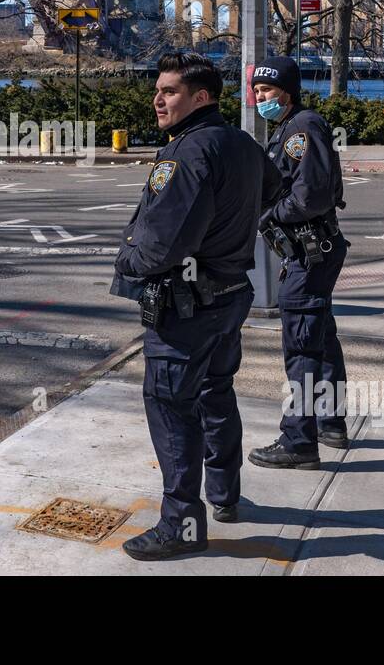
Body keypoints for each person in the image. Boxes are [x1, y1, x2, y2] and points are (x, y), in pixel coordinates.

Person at [110, 51, 279, 561]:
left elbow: (160, 246)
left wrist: (127, 256)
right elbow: (273, 192)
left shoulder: (185, 154)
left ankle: (180, 523)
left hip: (186, 307)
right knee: (215, 391)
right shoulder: (243, 144)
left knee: (170, 407)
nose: (158, 99)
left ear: (200, 97)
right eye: (158, 90)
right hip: (229, 294)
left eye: (170, 92)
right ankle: (224, 494)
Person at [247, 56, 351, 471]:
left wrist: (268, 215)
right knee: (321, 339)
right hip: (311, 253)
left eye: (267, 92)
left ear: (286, 92)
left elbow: (310, 196)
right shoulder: (290, 128)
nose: (260, 98)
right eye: (257, 91)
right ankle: (330, 423)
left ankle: (299, 440)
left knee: (302, 348)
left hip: (310, 254)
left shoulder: (302, 127)